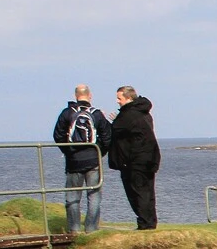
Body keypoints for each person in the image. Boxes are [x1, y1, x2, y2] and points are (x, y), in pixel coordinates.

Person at [51, 85, 112, 234]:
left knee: (72, 196)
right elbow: (107, 137)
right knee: (94, 196)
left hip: (73, 162)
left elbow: (58, 135)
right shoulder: (97, 114)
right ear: (90, 96)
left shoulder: (67, 113)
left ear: (75, 96)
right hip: (93, 160)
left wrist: (69, 151)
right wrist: (99, 152)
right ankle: (91, 228)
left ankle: (74, 229)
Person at [106, 85, 162, 230]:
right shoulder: (143, 113)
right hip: (149, 158)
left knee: (138, 192)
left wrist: (109, 122)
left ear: (129, 98)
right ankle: (149, 222)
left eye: (119, 98)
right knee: (148, 192)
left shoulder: (129, 114)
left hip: (135, 161)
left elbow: (117, 130)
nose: (117, 101)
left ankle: (145, 223)